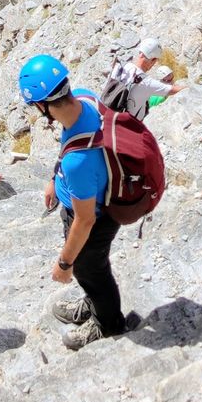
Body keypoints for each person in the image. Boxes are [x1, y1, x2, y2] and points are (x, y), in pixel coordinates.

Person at [18, 52, 137, 352]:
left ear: (42, 105)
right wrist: (53, 178)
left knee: (91, 269)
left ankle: (108, 323)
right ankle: (93, 301)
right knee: (91, 272)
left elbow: (85, 221)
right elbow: (70, 140)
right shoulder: (84, 99)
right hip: (86, 195)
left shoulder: (79, 164)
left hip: (93, 218)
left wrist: (64, 263)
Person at [103, 34, 174, 122]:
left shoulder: (119, 67)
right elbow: (172, 90)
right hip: (126, 127)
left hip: (105, 117)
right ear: (153, 60)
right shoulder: (146, 82)